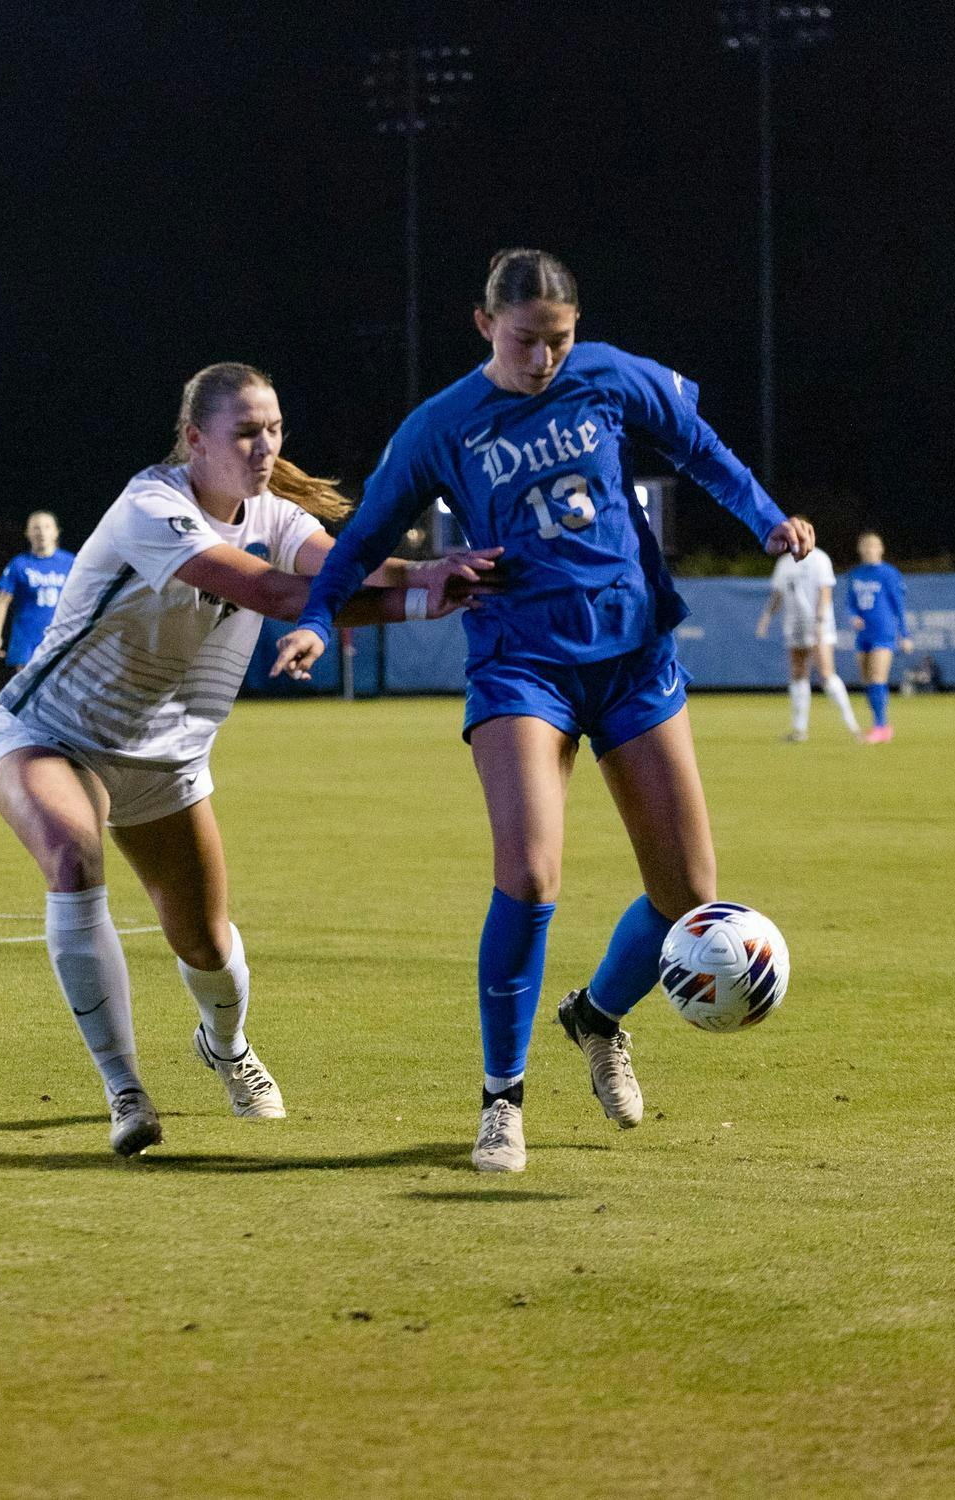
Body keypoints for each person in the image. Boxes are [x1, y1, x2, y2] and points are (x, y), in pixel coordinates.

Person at [269, 248, 815, 1174]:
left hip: (634, 655)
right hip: (522, 662)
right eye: (527, 341)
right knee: (528, 873)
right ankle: (501, 1101)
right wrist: (320, 617)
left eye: (559, 340)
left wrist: (764, 515)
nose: (545, 360)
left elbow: (698, 445)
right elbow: (361, 537)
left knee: (688, 895)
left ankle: (597, 1019)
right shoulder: (440, 425)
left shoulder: (608, 375)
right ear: (486, 325)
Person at [0, 362, 496, 1157]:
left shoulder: (274, 511)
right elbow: (273, 592)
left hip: (169, 761)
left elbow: (335, 572)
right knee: (71, 858)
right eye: (246, 433)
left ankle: (225, 1050)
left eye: (275, 429)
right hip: (53, 734)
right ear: (195, 439)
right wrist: (426, 580)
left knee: (207, 945)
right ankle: (125, 1089)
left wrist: (438, 589)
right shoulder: (152, 507)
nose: (265, 447)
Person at [754, 542, 859, 741]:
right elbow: (778, 594)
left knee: (826, 673)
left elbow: (825, 592)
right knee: (798, 673)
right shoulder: (785, 563)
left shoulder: (820, 558)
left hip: (818, 624)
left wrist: (819, 622)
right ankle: (799, 730)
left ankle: (852, 726)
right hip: (795, 625)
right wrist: (766, 617)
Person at [844, 532, 910, 743]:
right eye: (866, 546)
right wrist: (853, 617)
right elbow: (850, 603)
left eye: (874, 546)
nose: (870, 549)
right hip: (863, 634)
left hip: (884, 632)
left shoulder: (889, 574)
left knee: (877, 677)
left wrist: (905, 634)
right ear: (860, 549)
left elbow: (899, 605)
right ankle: (881, 724)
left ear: (881, 549)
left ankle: (880, 727)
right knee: (868, 682)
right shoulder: (855, 574)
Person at [0, 512, 77, 666]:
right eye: (36, 528)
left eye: (47, 527)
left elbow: (84, 598)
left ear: (56, 532)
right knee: (26, 687)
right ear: (27, 533)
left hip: (61, 637)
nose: (41, 532)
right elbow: (2, 601)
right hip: (26, 639)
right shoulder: (19, 564)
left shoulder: (70, 562)